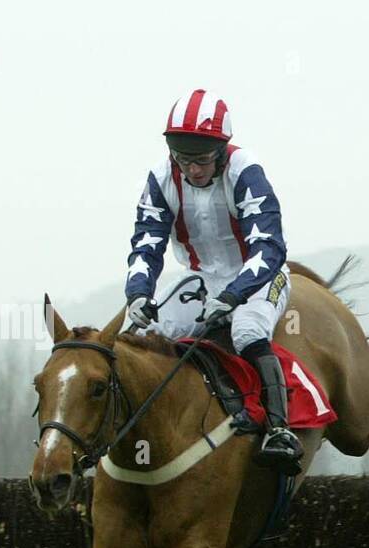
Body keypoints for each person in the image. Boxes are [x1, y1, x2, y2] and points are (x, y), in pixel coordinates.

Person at [123, 88, 302, 471]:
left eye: (202, 160)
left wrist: (236, 294)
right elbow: (146, 244)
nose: (193, 170)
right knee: (137, 336)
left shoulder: (245, 171)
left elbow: (269, 247)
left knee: (246, 329)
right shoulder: (160, 178)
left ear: (221, 151)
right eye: (183, 160)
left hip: (259, 277)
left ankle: (278, 429)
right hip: (201, 279)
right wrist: (138, 295)